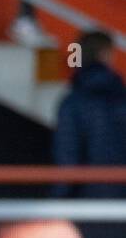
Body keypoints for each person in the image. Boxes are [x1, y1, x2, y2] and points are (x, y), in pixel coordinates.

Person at [53, 31, 126, 199]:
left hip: (85, 203)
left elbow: (67, 156)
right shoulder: (121, 98)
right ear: (105, 55)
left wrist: (58, 200)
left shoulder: (72, 102)